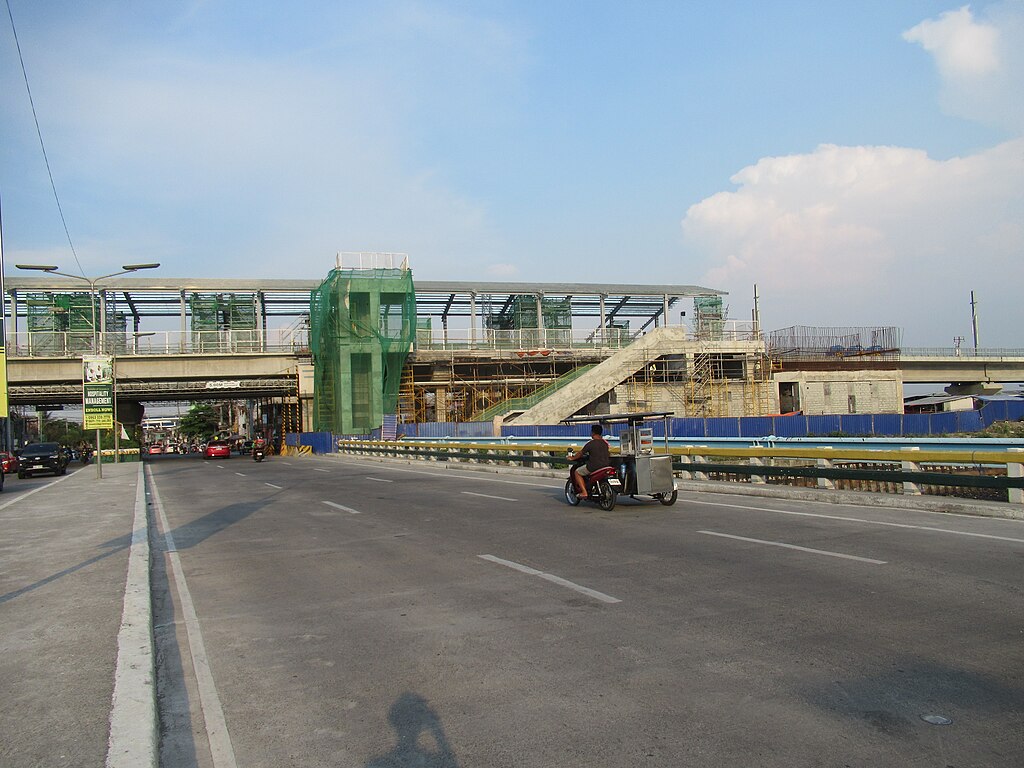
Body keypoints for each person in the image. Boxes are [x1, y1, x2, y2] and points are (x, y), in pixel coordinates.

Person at [567, 424, 611, 498]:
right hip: (606, 465)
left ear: (593, 432)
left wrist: (573, 458)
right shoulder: (605, 443)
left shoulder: (591, 443)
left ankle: (584, 492)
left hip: (594, 466)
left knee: (577, 472)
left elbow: (581, 453)